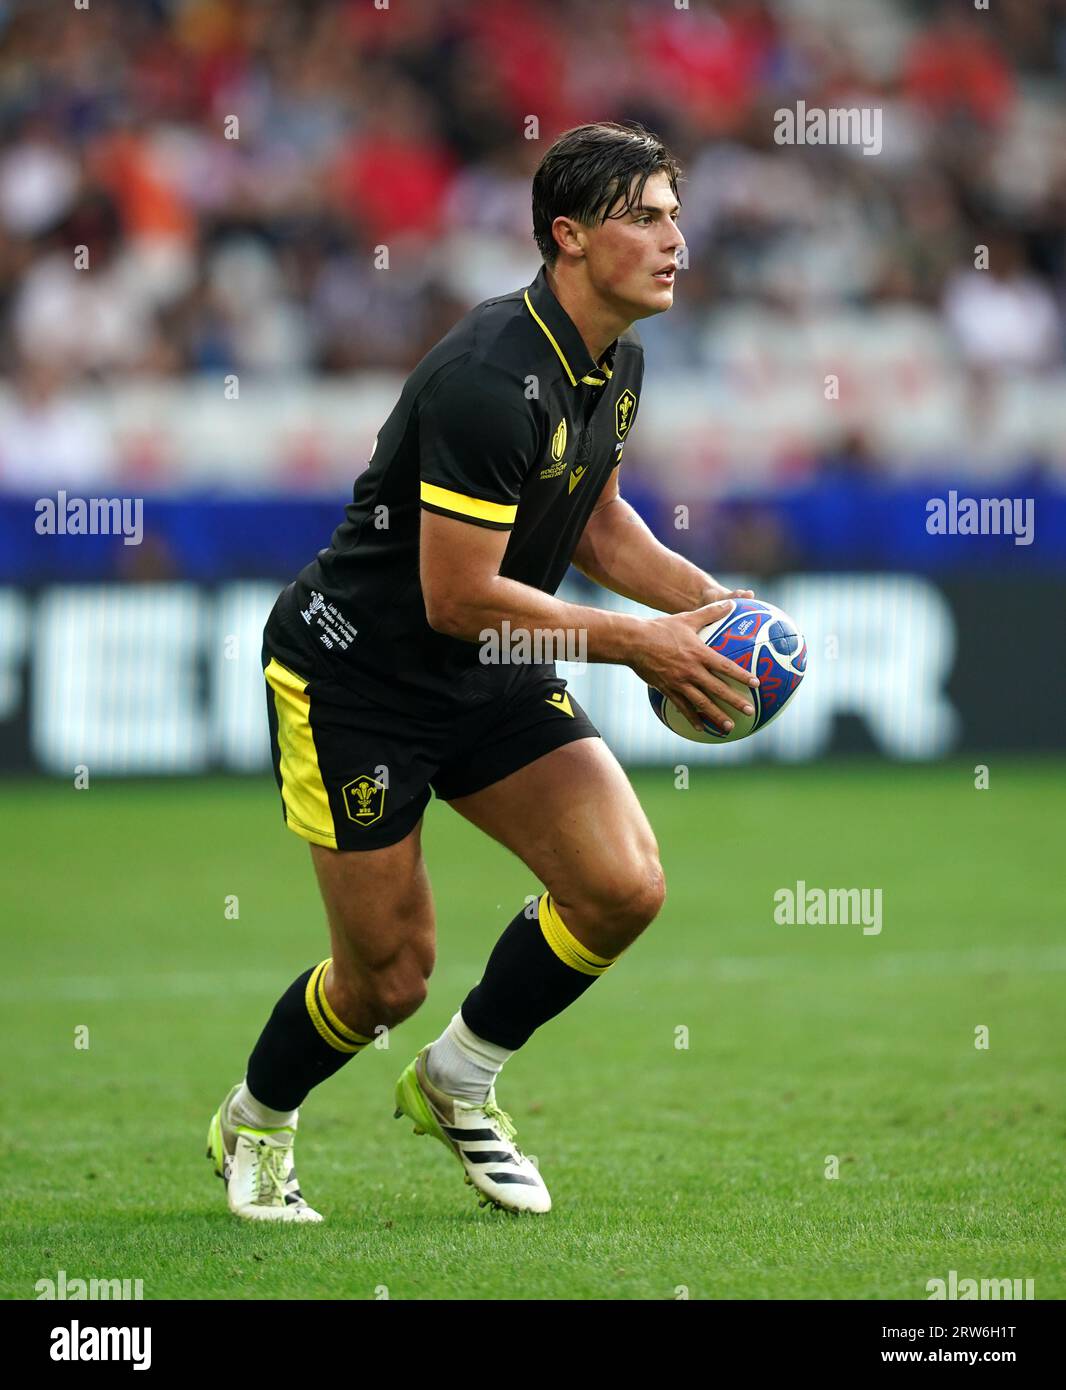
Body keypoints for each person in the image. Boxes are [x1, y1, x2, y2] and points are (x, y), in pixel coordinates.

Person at [206, 121, 759, 1220]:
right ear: (568, 236)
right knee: (385, 980)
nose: (674, 241)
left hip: (490, 666)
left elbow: (598, 529)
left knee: (621, 884)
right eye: (643, 217)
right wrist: (636, 642)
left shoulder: (616, 360)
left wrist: (712, 608)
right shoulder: (486, 376)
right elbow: (454, 595)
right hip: (359, 678)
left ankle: (458, 1079)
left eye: (673, 215)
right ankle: (255, 1121)